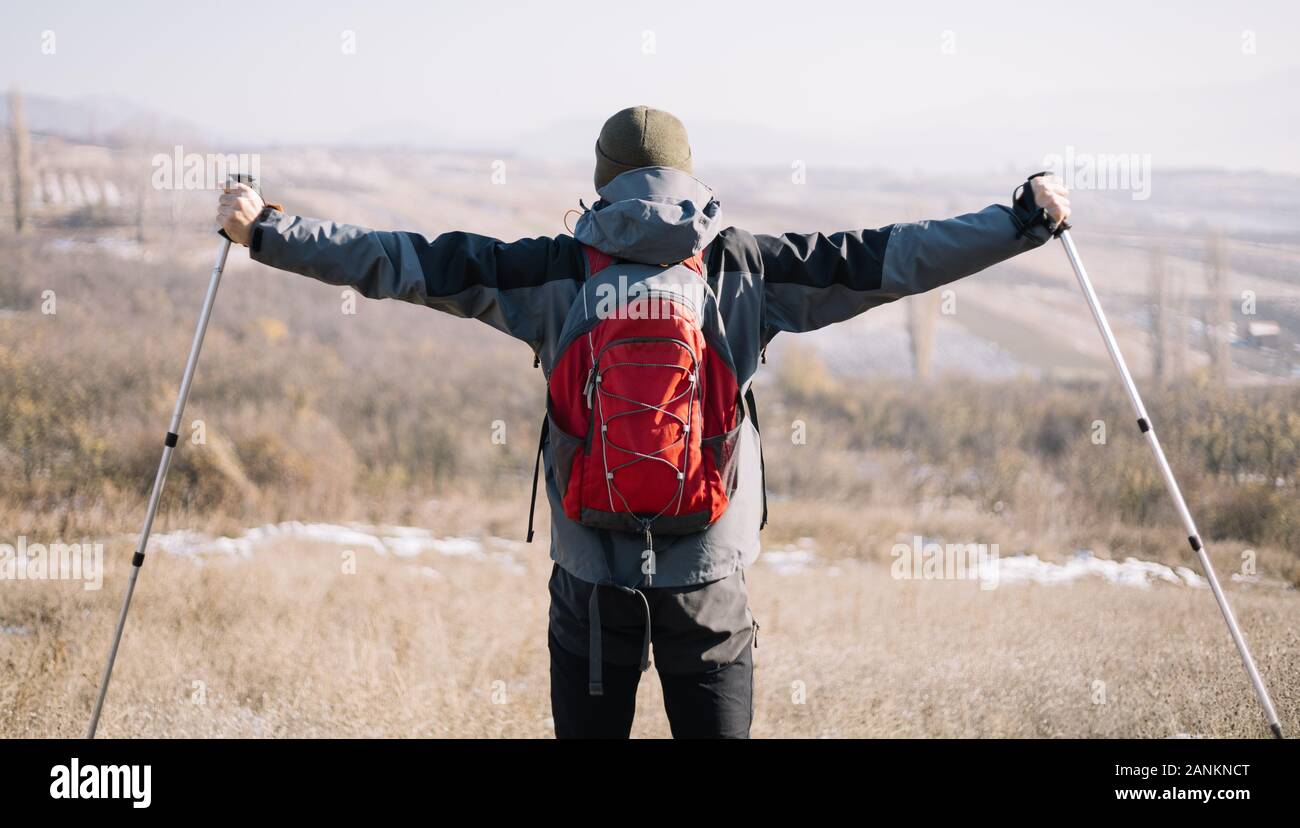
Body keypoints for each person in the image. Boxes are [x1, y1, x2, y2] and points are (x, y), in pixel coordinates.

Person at [217, 105, 1070, 739]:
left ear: (601, 181)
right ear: (689, 180)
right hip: (709, 574)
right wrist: (1021, 221)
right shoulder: (747, 267)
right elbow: (899, 256)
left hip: (591, 577)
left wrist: (269, 232)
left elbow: (396, 261)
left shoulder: (550, 270)